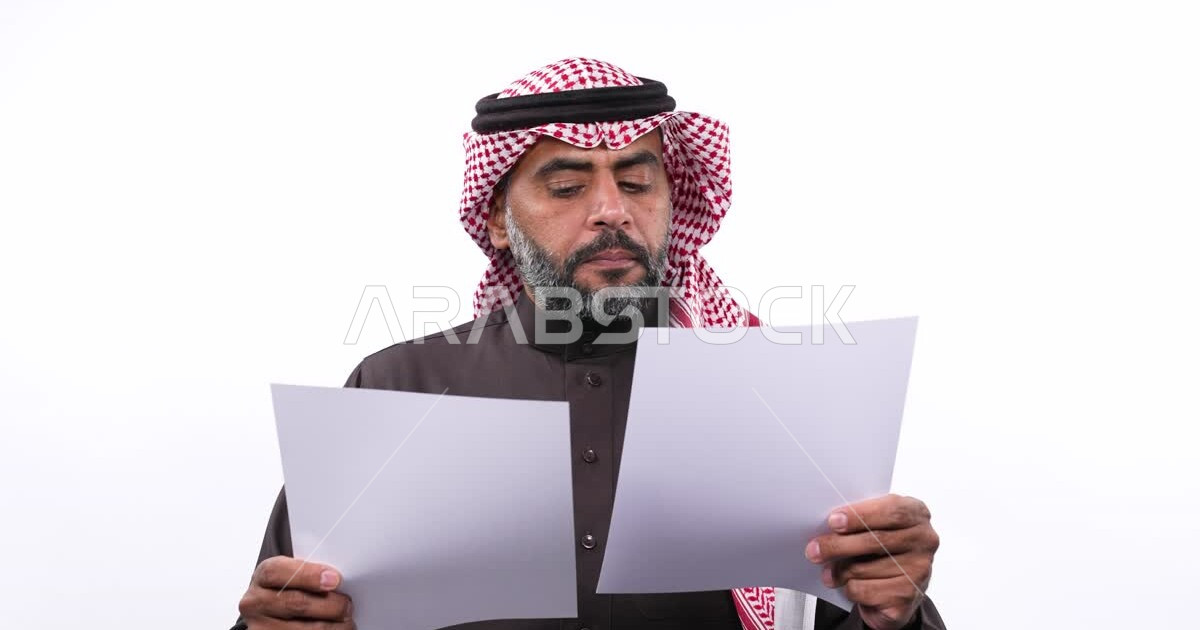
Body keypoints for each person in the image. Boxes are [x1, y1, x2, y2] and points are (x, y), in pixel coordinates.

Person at [232, 58, 946, 630]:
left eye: (637, 181)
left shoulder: (770, 387)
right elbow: (294, 606)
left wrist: (895, 611)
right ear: (500, 222)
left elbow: (850, 610)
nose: (612, 211)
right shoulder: (400, 383)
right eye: (569, 186)